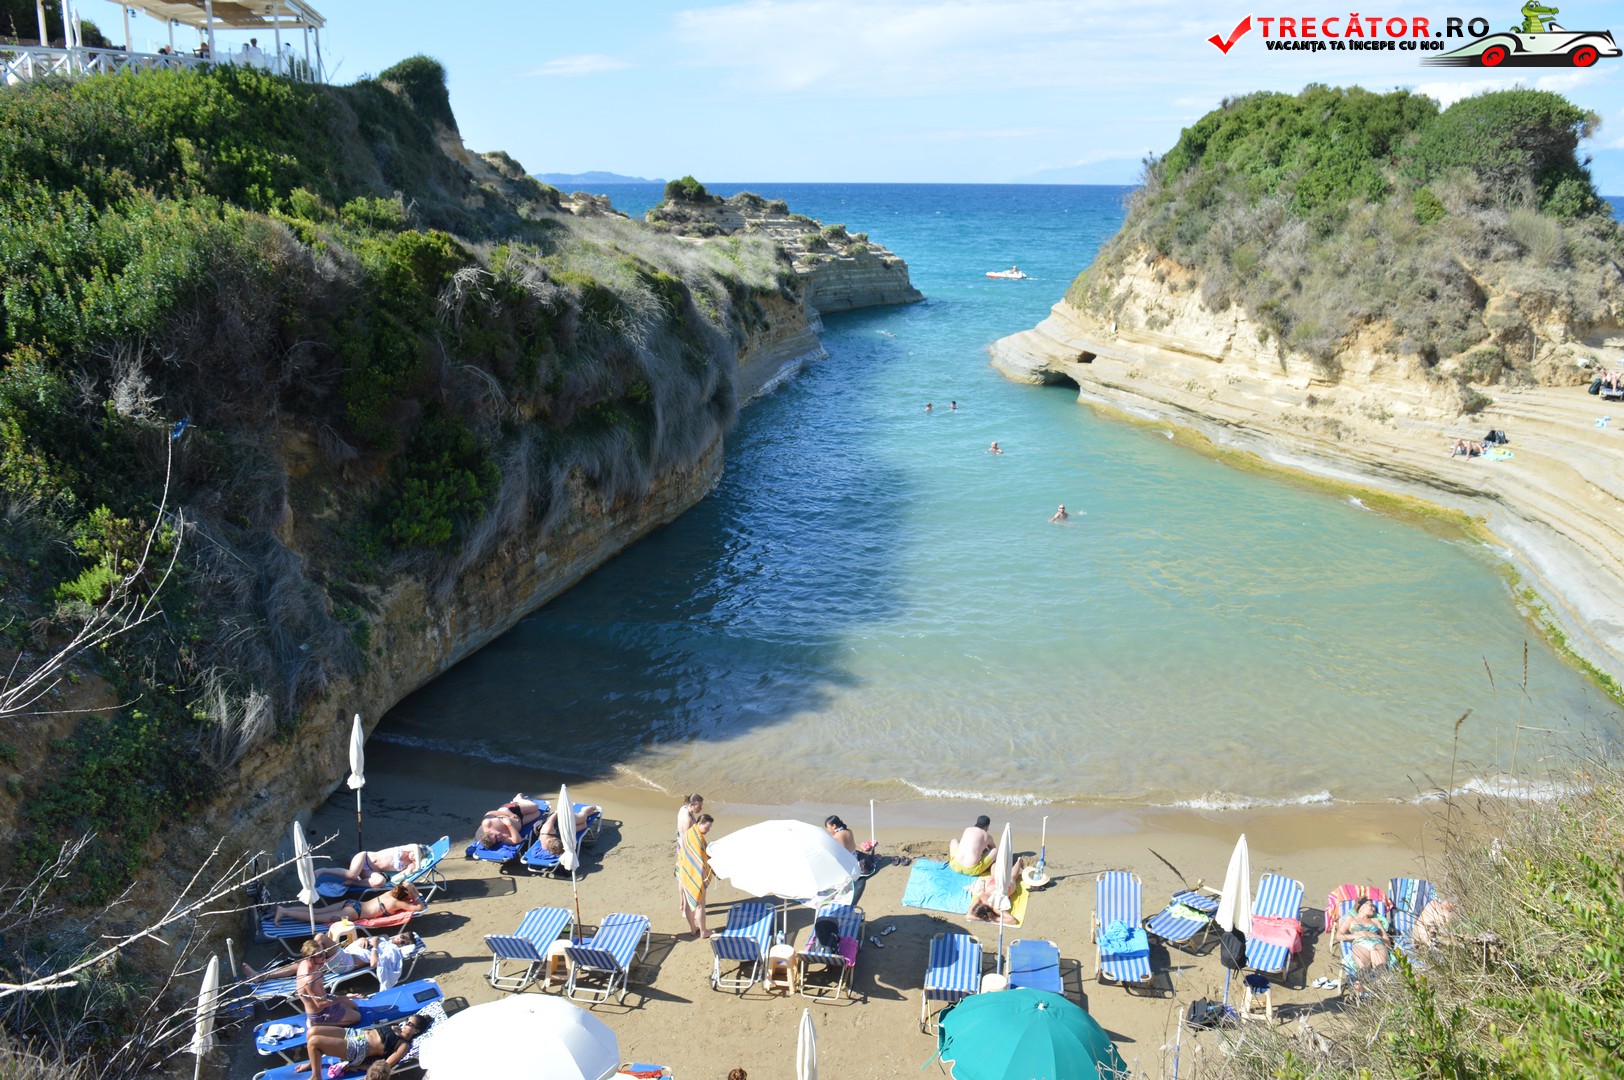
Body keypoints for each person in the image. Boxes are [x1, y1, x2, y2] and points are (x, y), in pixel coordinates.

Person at [240, 935, 360, 1026]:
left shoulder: (307, 963)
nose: (324, 957)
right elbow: (320, 1003)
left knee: (354, 1007)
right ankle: (318, 1026)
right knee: (357, 1017)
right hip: (320, 1013)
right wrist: (346, 997)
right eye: (320, 955)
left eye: (324, 953)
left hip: (325, 1000)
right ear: (310, 958)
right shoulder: (310, 979)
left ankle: (260, 976)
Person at [298, 1011, 429, 1077]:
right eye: (407, 1020)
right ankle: (313, 1061)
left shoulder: (403, 1045)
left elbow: (386, 1065)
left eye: (410, 1024)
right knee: (312, 1031)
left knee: (314, 1042)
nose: (406, 1023)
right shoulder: (396, 1028)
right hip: (355, 1034)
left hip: (359, 1049)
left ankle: (316, 1076)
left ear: (416, 1031)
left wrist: (360, 1067)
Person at [269, 882, 423, 926]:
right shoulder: (398, 903)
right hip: (353, 914)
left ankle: (284, 909)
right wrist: (415, 894)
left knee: (317, 911)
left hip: (352, 903)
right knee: (314, 918)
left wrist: (408, 887)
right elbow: (420, 907)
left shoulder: (390, 893)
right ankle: (284, 913)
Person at [315, 844, 424, 890]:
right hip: (364, 858)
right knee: (352, 874)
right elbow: (416, 847)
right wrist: (418, 864)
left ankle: (354, 883)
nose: (414, 855)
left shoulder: (408, 866)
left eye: (417, 856)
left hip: (370, 871)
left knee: (380, 881)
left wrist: (409, 871)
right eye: (417, 853)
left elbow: (394, 879)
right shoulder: (408, 848)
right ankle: (324, 871)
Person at [678, 813, 714, 938]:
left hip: (685, 872)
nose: (708, 830)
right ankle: (703, 931)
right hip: (695, 876)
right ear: (700, 823)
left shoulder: (690, 832)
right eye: (707, 828)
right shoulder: (698, 839)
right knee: (700, 905)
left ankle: (693, 929)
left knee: (689, 904)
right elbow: (701, 861)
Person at [1335, 898, 1393, 972]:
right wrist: (1355, 936)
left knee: (1381, 969)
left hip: (1377, 943)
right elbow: (1339, 936)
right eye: (1371, 906)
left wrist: (1378, 936)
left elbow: (1387, 940)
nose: (1374, 909)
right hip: (1360, 943)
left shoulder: (1375, 920)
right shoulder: (1350, 919)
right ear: (1362, 906)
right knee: (1364, 970)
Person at [968, 856, 1027, 923]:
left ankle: (1019, 861)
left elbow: (1013, 920)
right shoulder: (981, 898)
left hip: (1005, 888)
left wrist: (994, 919)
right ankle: (999, 860)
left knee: (1012, 877)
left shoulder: (995, 908)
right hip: (992, 884)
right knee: (994, 874)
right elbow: (968, 915)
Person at [476, 795, 544, 850]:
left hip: (511, 811)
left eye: (496, 836)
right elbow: (518, 840)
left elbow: (490, 813)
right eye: (496, 841)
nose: (499, 838)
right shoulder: (502, 839)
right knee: (537, 813)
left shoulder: (487, 823)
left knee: (535, 807)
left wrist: (510, 815)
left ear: (489, 832)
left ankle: (518, 799)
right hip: (521, 821)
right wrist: (509, 825)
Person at [535, 804, 603, 856]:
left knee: (583, 819)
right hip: (563, 830)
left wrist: (558, 811)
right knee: (584, 825)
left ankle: (587, 809)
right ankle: (587, 814)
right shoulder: (548, 846)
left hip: (561, 819)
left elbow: (551, 818)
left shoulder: (547, 830)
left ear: (551, 839)